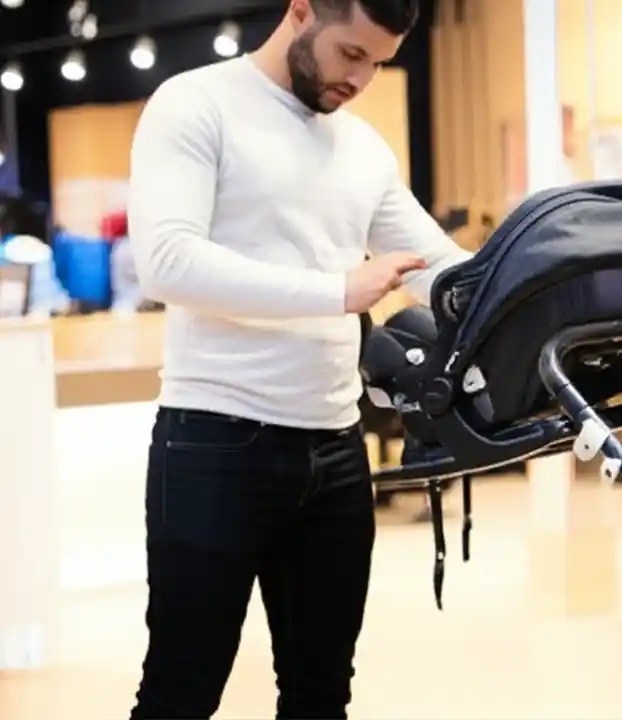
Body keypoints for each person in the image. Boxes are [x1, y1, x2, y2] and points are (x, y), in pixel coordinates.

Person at [124, 1, 472, 717]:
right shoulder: (196, 105)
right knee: (181, 693)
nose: (363, 78)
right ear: (301, 11)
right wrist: (338, 290)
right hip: (215, 441)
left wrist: (554, 282)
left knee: (320, 695)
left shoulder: (364, 148)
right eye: (351, 54)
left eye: (379, 62)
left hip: (337, 453)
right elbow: (166, 263)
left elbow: (441, 268)